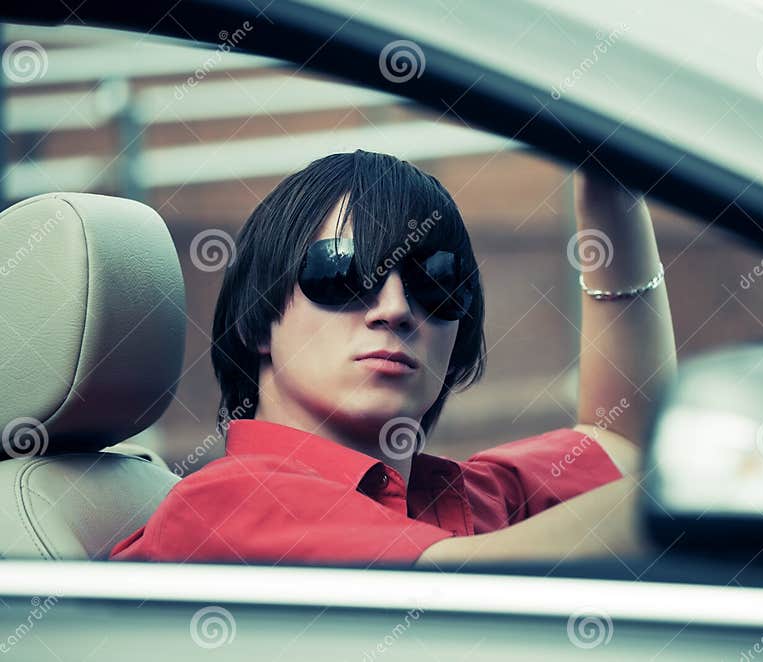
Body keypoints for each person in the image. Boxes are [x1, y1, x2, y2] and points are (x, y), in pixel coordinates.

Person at [109, 149, 677, 567]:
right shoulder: (221, 505)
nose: (397, 308)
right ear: (260, 320)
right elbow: (460, 586)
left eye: (438, 283)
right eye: (343, 272)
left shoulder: (464, 496)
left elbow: (624, 445)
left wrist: (610, 192)